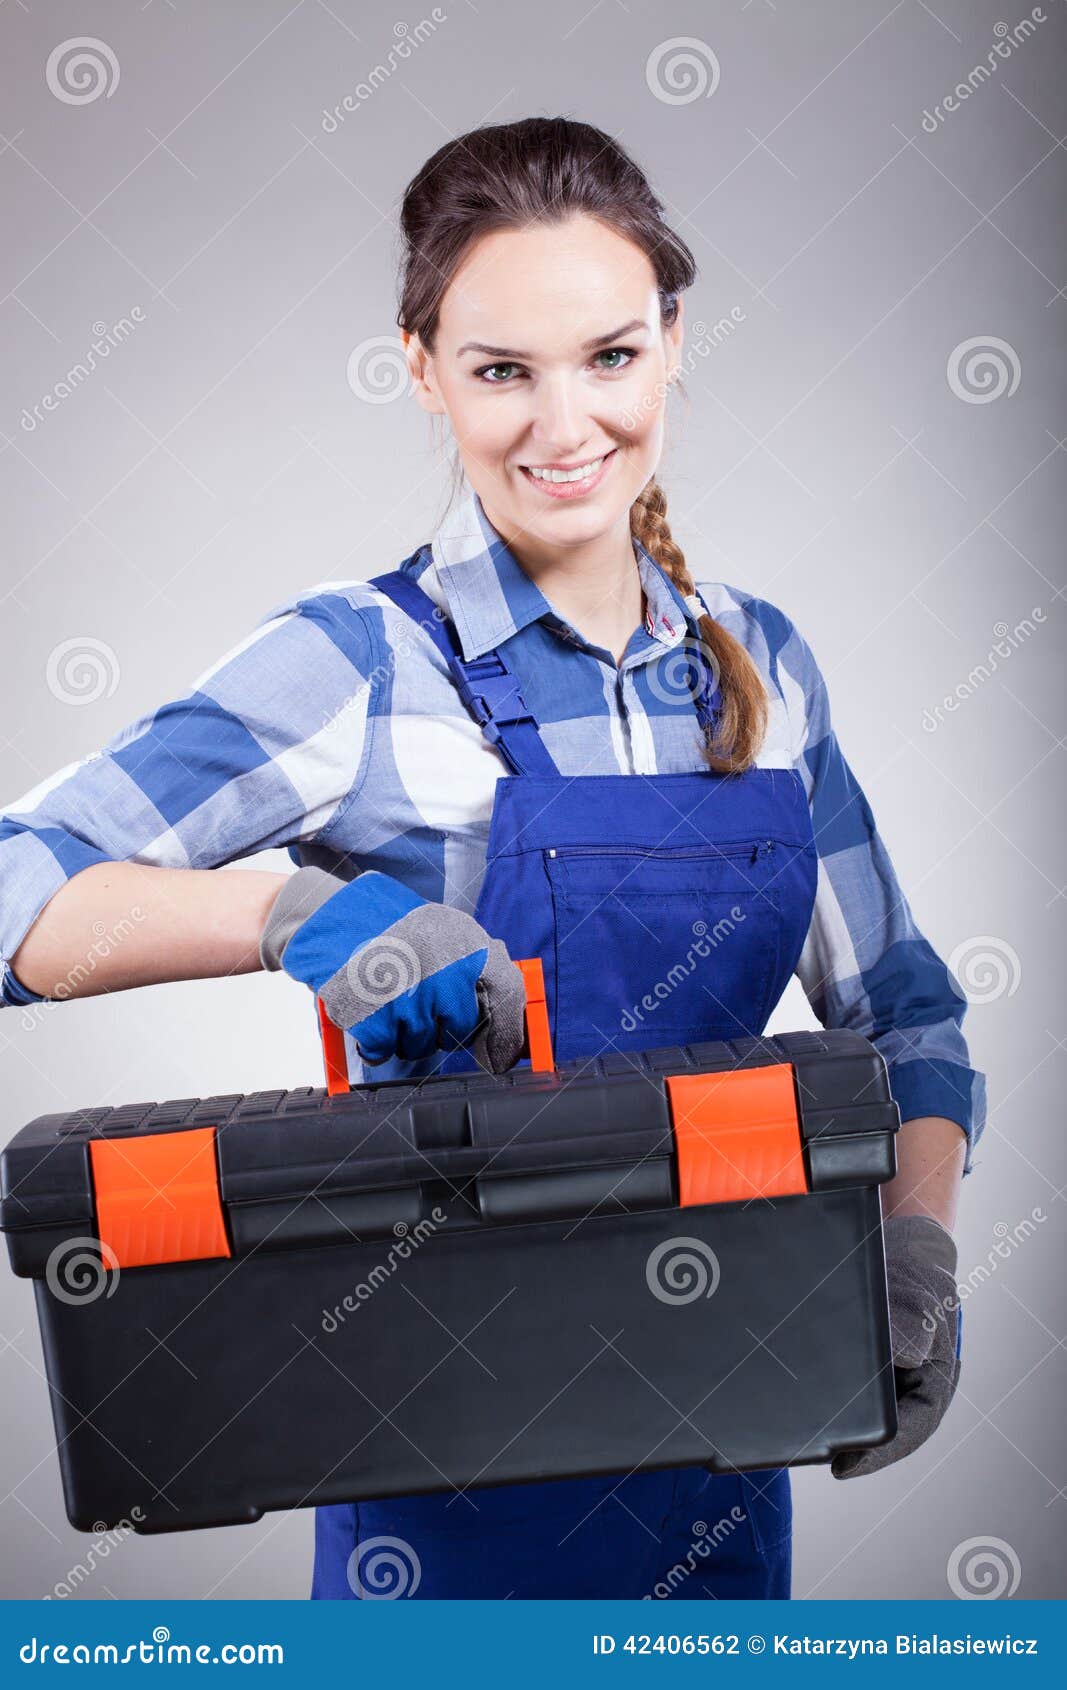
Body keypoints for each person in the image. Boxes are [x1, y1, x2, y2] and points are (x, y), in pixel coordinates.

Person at [0, 117, 985, 1601]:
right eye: (499, 371)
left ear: (671, 341)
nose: (564, 422)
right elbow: (18, 884)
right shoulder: (359, 661)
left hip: (723, 1466)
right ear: (420, 369)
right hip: (436, 1501)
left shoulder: (761, 666)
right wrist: (290, 912)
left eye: (609, 355)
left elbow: (903, 1008)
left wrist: (915, 1250)